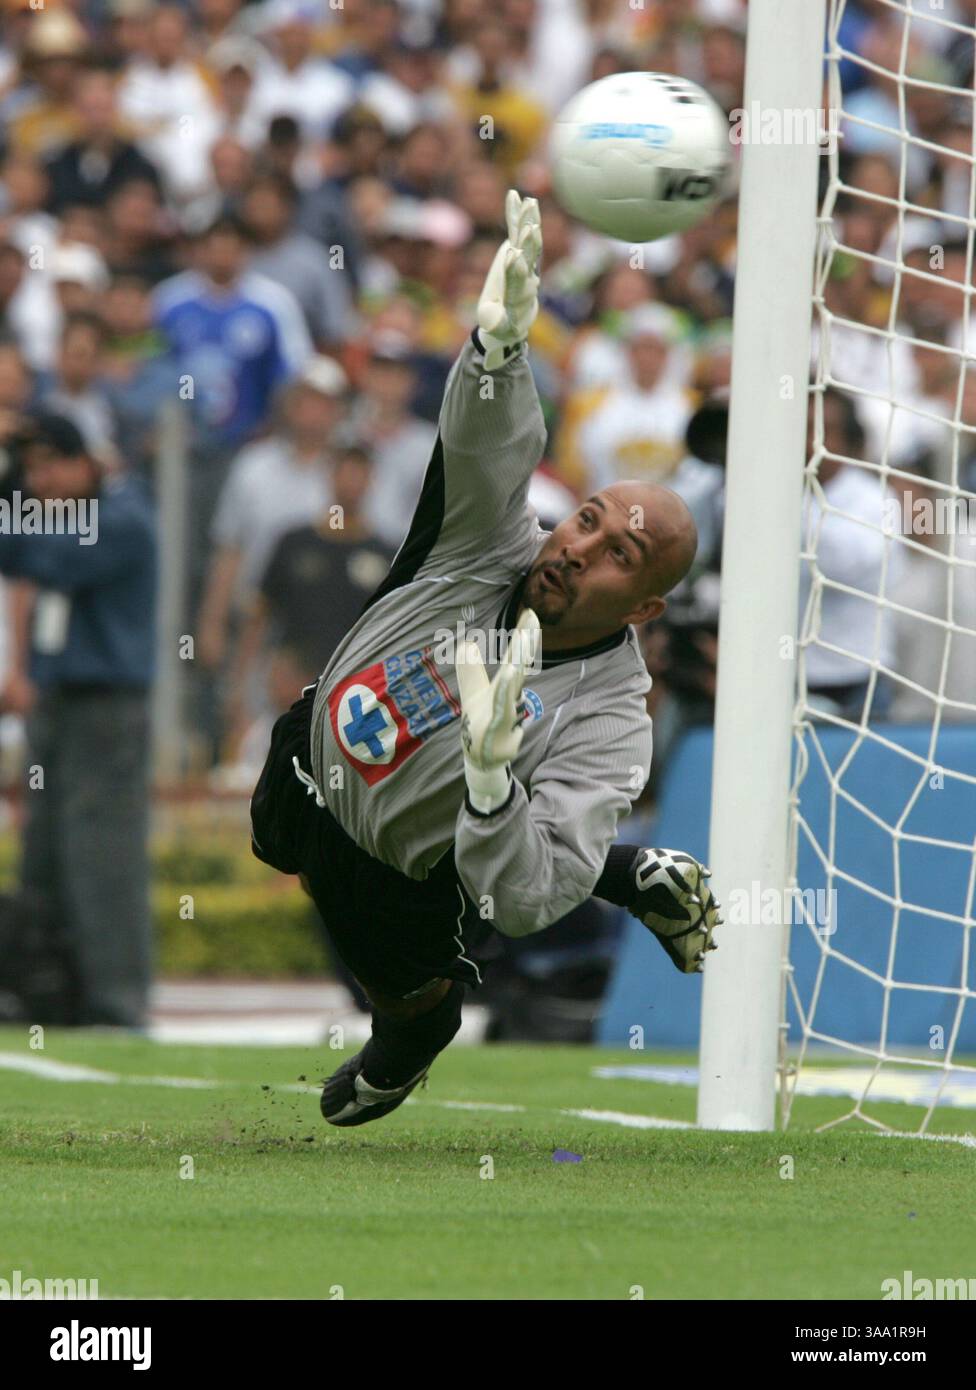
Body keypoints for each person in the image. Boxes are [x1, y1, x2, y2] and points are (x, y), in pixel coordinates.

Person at [250, 192, 721, 1127]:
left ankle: (415, 1039)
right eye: (587, 521)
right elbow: (490, 447)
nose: (579, 550)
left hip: (405, 870)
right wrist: (499, 354)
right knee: (271, 847)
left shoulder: (610, 717)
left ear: (648, 605)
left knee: (413, 1010)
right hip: (308, 752)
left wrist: (492, 781)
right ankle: (628, 874)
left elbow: (528, 896)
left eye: (616, 557)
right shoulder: (486, 542)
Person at [0, 413, 157, 1027]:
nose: (39, 484)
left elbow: (35, 551)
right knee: (44, 849)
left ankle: (116, 1000)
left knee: (101, 851)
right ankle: (47, 991)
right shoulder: (81, 512)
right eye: (30, 471)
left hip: (105, 705)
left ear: (85, 463)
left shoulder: (122, 516)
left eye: (47, 468)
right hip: (58, 697)